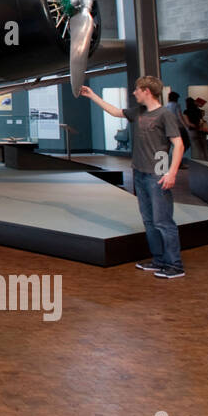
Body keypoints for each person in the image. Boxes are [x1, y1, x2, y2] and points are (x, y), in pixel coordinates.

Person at [80, 77, 187, 278]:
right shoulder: (138, 112)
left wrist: (171, 173)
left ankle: (175, 265)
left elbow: (178, 144)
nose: (134, 92)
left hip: (157, 174)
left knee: (163, 221)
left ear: (146, 91)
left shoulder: (165, 115)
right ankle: (159, 260)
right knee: (149, 220)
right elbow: (114, 111)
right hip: (139, 172)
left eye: (137, 89)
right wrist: (92, 95)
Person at [166, 92, 188, 168]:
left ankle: (169, 163)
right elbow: (179, 117)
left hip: (168, 127)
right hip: (177, 128)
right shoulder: (176, 105)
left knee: (170, 147)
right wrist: (186, 126)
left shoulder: (166, 106)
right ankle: (178, 163)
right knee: (180, 145)